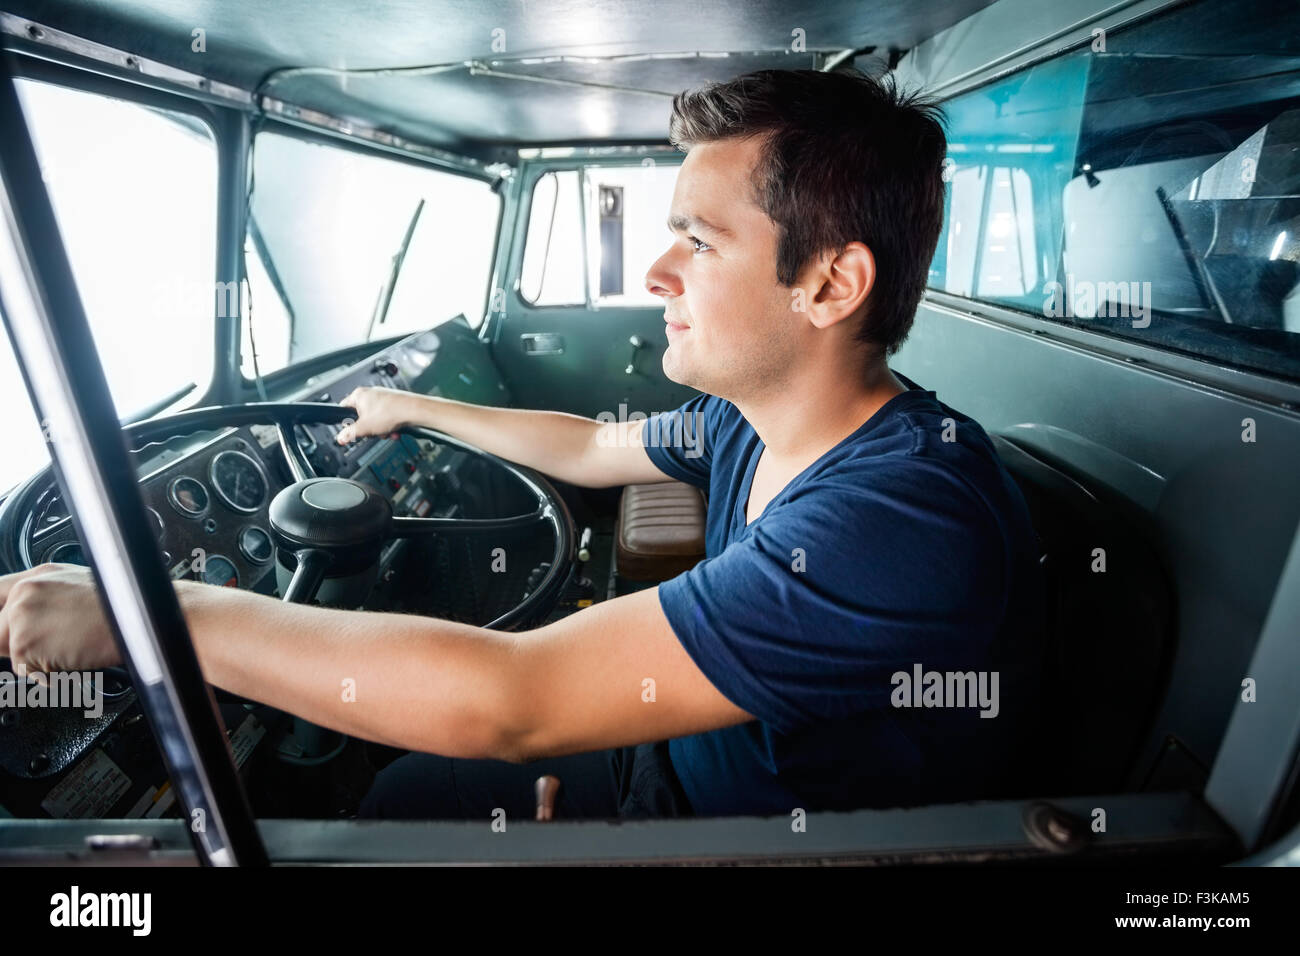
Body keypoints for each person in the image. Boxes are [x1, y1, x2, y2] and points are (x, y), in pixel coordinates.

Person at [0, 68, 1045, 821]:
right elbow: (593, 450)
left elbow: (513, 698)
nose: (657, 273)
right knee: (407, 794)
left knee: (406, 808)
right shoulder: (756, 412)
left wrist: (146, 612)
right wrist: (416, 411)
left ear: (829, 284)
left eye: (702, 238)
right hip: (677, 760)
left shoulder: (904, 514)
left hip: (756, 839)